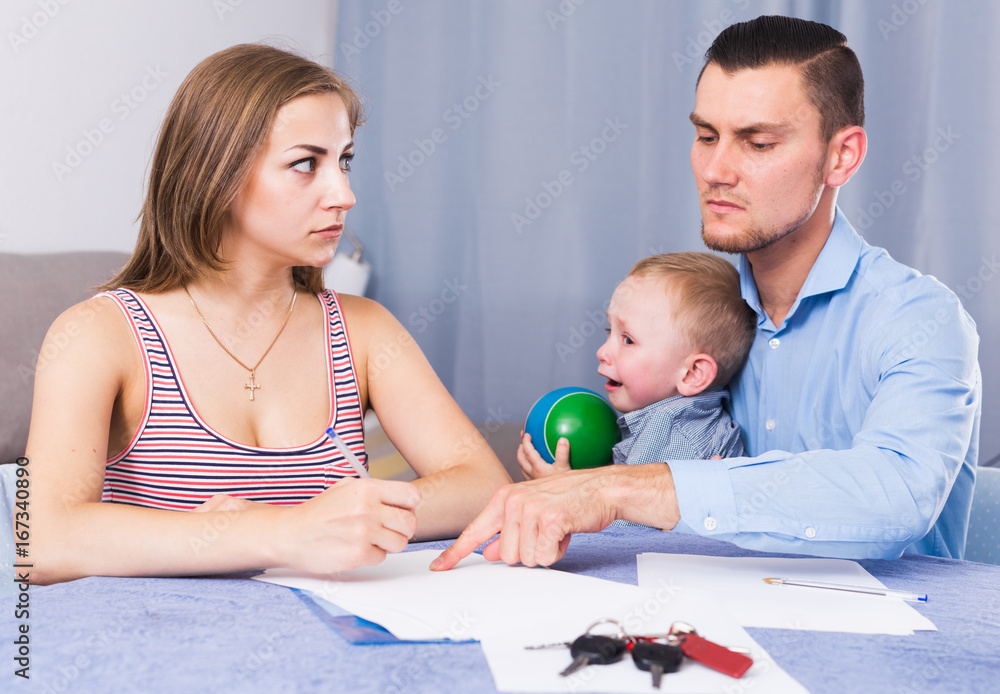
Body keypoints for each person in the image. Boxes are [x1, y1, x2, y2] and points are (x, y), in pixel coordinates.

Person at [431, 15, 981, 571]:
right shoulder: (696, 313)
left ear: (841, 156)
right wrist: (578, 484)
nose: (716, 170)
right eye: (706, 136)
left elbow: (896, 494)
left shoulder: (920, 319)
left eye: (758, 142)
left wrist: (616, 489)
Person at [28, 44, 511, 585]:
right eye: (306, 164)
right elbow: (41, 541)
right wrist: (286, 533)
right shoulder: (98, 335)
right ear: (216, 174)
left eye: (344, 160)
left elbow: (482, 486)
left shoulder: (365, 331)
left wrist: (329, 524)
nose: (345, 194)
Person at [518, 252, 754, 484]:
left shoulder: (671, 441)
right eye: (610, 332)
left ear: (692, 374)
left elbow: (632, 520)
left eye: (628, 340)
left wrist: (562, 489)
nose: (601, 352)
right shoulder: (672, 422)